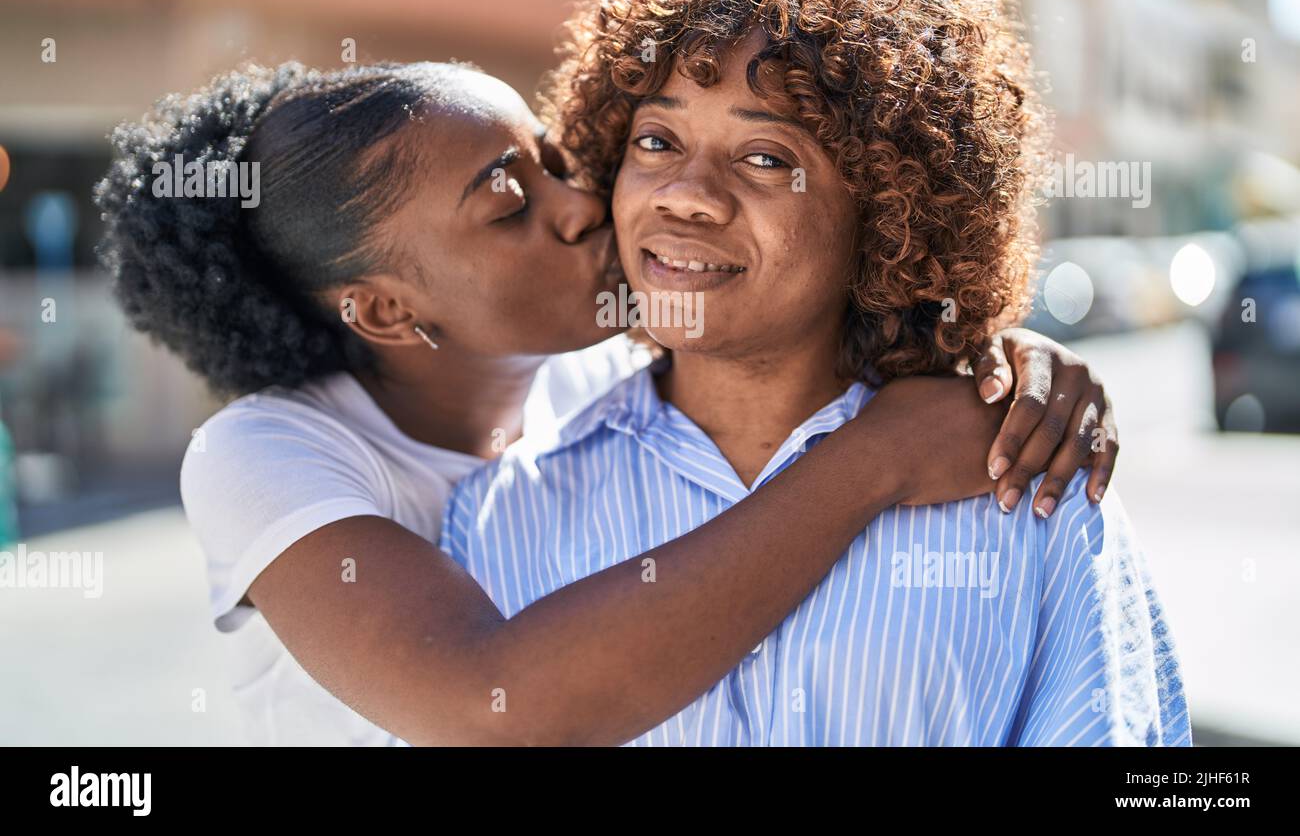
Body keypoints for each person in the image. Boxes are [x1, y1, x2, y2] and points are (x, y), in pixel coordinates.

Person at [95, 55, 1115, 746]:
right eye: (510, 207)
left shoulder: (598, 375)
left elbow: (779, 300)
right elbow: (493, 700)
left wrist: (991, 354)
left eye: (549, 159)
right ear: (387, 309)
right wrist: (869, 464)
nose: (581, 205)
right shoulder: (265, 452)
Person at [442, 0, 1188, 746]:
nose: (684, 193)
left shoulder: (1026, 485)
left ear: (890, 215)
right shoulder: (505, 511)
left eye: (766, 158)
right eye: (656, 141)